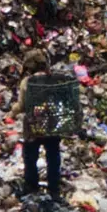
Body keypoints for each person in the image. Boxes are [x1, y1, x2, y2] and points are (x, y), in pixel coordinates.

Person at [15, 53, 80, 201]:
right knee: (53, 157)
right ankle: (54, 189)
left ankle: (32, 186)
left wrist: (12, 112)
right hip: (52, 125)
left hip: (33, 126)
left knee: (30, 157)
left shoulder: (27, 82)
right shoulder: (55, 80)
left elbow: (21, 105)